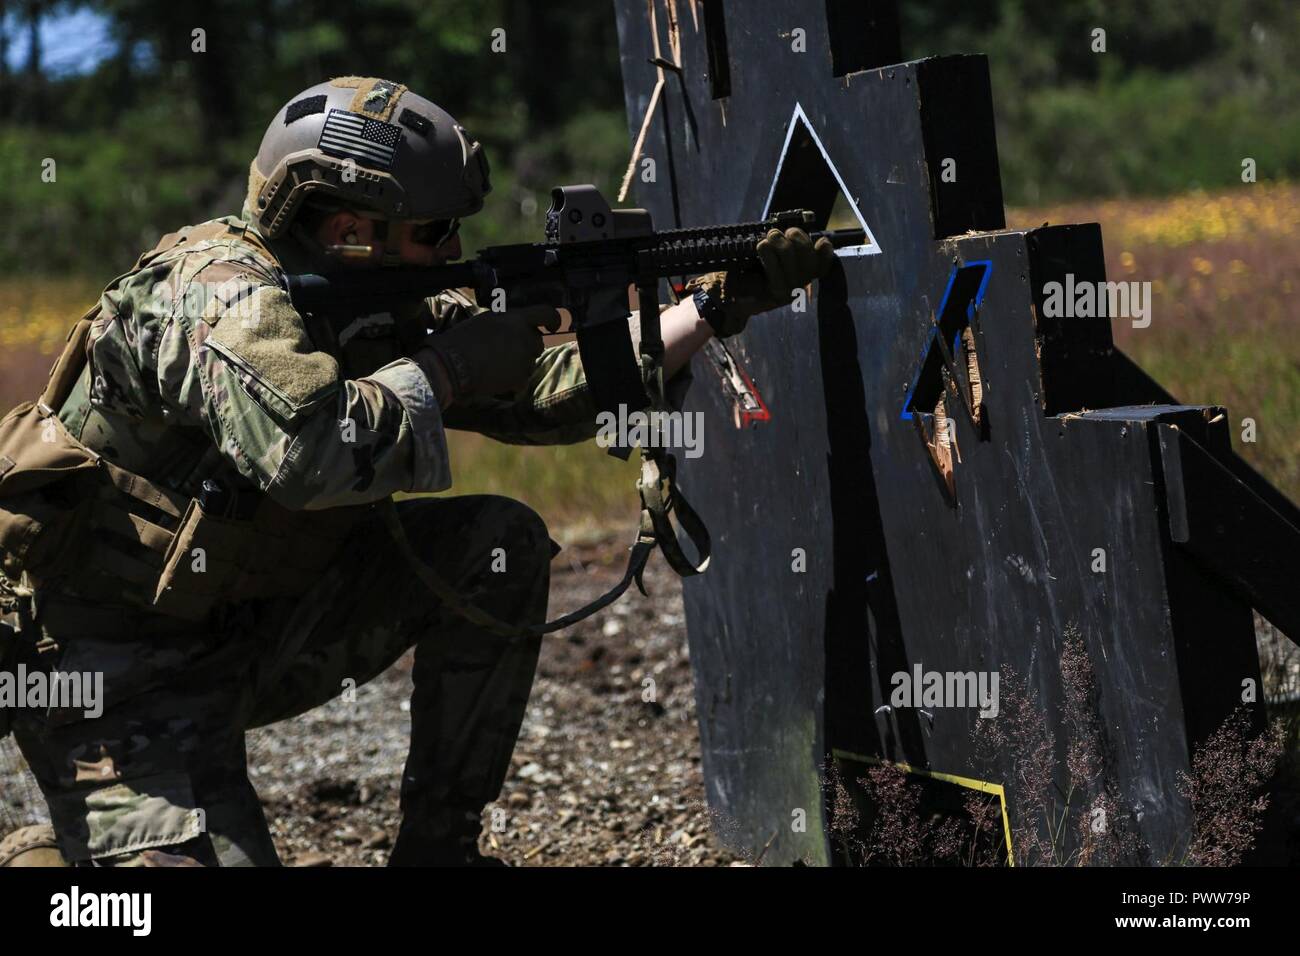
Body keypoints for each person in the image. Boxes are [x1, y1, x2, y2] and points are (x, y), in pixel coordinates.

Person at [0, 77, 834, 866]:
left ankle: (441, 851)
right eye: (435, 232)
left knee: (494, 546)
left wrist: (715, 306)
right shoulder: (218, 296)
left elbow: (540, 397)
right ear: (348, 229)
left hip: (253, 632)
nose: (454, 250)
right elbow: (310, 455)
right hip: (112, 675)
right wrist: (446, 371)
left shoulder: (374, 294)